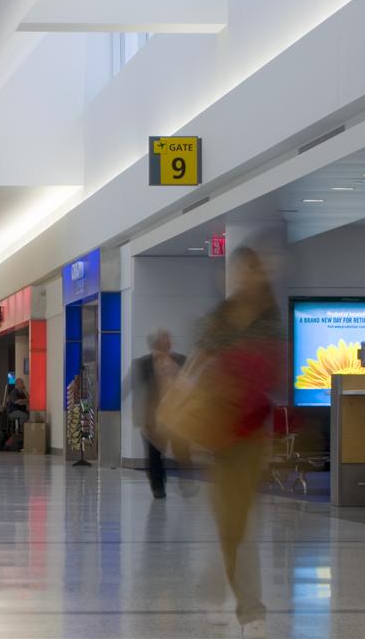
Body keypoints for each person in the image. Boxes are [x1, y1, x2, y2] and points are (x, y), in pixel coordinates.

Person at [195, 247, 285, 637]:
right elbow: (200, 363)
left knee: (242, 525)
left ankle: (248, 609)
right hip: (218, 431)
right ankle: (219, 590)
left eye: (251, 271)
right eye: (239, 271)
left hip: (251, 435)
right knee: (230, 524)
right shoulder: (221, 317)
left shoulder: (270, 320)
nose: (244, 278)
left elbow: (275, 373)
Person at [125, 330, 188, 499]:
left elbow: (190, 383)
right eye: (165, 339)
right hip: (152, 418)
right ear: (156, 343)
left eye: (169, 339)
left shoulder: (181, 361)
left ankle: (185, 482)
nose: (169, 342)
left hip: (176, 416)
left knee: (182, 449)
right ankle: (158, 486)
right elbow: (129, 385)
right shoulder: (142, 364)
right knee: (154, 454)